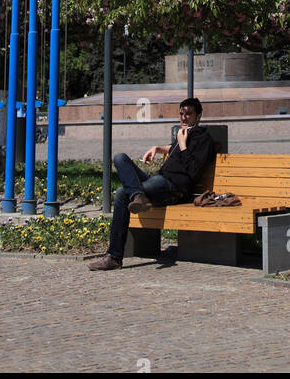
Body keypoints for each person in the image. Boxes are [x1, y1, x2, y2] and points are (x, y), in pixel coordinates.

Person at [88, 97, 216, 271]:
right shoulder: (183, 135)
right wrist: (157, 148)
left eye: (189, 114)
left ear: (199, 116)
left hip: (173, 189)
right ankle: (138, 195)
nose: (184, 118)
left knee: (121, 194)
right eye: (181, 114)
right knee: (120, 158)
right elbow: (173, 148)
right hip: (158, 182)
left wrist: (183, 144)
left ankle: (114, 257)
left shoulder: (203, 139)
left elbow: (193, 171)